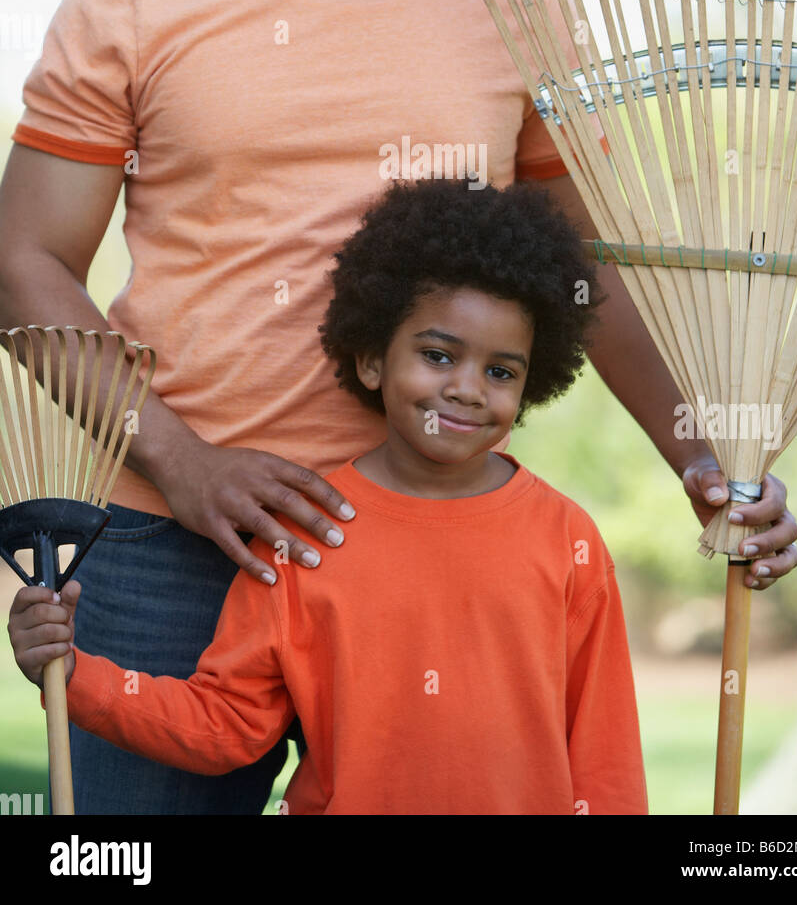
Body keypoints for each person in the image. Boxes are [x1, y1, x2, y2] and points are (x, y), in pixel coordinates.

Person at [0, 0, 797, 814]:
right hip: (168, 543)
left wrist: (704, 461)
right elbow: (25, 264)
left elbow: (587, 262)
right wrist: (187, 461)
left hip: (431, 541)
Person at [9, 176, 648, 815]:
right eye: (437, 355)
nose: (468, 389)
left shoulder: (568, 538)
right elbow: (227, 722)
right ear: (372, 359)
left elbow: (605, 750)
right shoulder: (304, 531)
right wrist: (75, 675)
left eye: (501, 371)